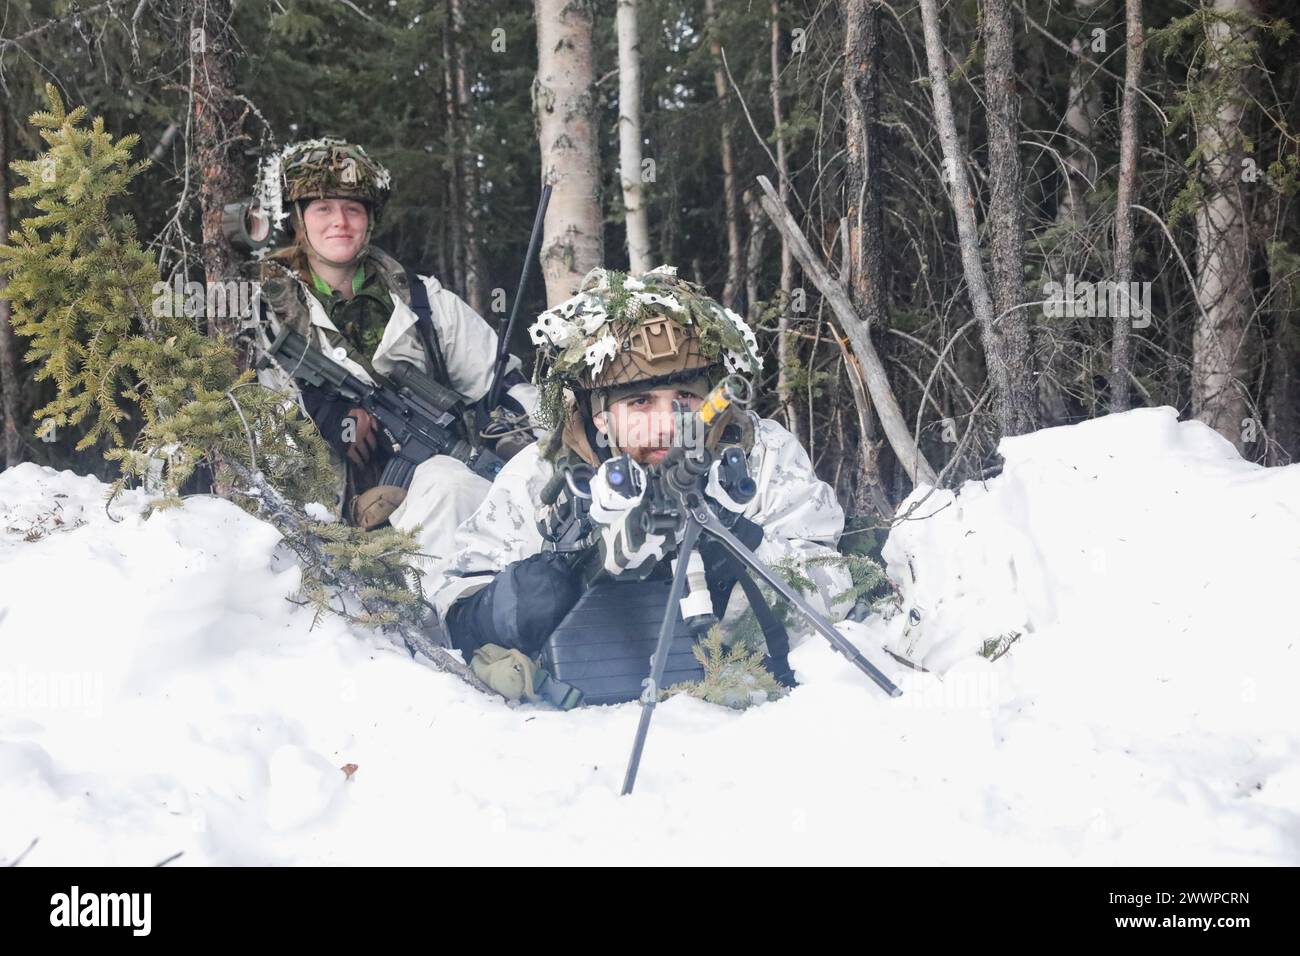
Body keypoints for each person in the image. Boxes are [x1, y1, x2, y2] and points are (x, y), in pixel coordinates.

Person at [432, 265, 851, 701]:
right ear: (601, 416)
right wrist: (512, 606)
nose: (667, 424)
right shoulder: (542, 474)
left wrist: (739, 557)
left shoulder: (760, 454)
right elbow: (452, 612)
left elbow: (839, 593)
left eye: (685, 399)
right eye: (640, 403)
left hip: (742, 708)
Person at [245, 137, 536, 580]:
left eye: (353, 209)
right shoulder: (261, 309)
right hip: (325, 524)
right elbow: (251, 421)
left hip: (435, 498)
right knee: (448, 482)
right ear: (298, 220)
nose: (340, 222)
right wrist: (324, 416)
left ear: (370, 220)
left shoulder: (423, 302)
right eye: (323, 208)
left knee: (457, 481)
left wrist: (528, 446)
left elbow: (500, 382)